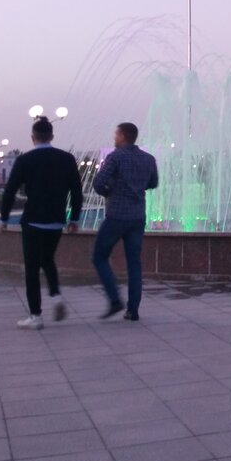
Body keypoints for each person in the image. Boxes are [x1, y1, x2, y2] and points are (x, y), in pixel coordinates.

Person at [0, 116, 84, 330]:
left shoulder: (25, 160)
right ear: (52, 136)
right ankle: (56, 297)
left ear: (33, 137)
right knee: (47, 259)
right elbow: (77, 191)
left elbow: (10, 191)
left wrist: (4, 218)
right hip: (56, 221)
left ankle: (35, 316)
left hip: (33, 220)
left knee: (32, 268)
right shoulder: (67, 158)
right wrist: (74, 218)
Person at [92, 122, 158, 322]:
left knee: (99, 256)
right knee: (134, 263)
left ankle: (114, 299)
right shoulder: (149, 159)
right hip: (137, 217)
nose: (114, 138)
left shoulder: (115, 157)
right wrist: (136, 188)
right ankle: (133, 310)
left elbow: (98, 183)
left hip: (117, 216)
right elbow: (153, 183)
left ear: (123, 136)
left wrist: (109, 192)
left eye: (116, 134)